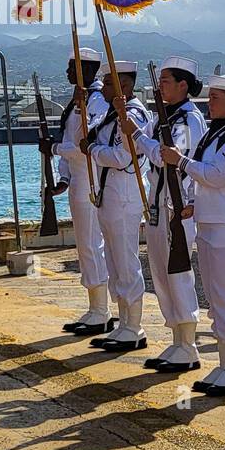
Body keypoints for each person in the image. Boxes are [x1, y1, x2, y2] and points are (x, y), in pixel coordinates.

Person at [161, 74, 225, 397]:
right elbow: (204, 179)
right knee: (215, 300)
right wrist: (191, 203)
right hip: (210, 221)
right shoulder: (217, 132)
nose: (209, 102)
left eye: (216, 97)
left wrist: (180, 160)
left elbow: (216, 175)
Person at [119, 56, 208, 372]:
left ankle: (189, 344)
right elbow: (142, 140)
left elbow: (164, 157)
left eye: (166, 81)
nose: (161, 87)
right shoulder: (163, 117)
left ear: (184, 86)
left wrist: (138, 135)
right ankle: (176, 340)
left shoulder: (188, 120)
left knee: (178, 273)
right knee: (160, 273)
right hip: (158, 202)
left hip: (177, 204)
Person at [42, 46, 112, 335]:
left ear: (87, 70)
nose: (67, 72)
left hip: (93, 179)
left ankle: (102, 311)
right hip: (79, 180)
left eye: (72, 67)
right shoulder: (77, 101)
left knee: (92, 244)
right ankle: (95, 307)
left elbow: (86, 147)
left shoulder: (95, 101)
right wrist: (64, 177)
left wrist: (55, 149)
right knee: (85, 246)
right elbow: (71, 138)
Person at [83, 61, 150, 353]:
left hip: (124, 194)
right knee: (114, 260)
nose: (103, 88)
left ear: (125, 86)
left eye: (109, 83)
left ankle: (134, 326)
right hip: (110, 194)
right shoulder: (112, 114)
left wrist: (93, 151)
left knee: (125, 261)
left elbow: (125, 157)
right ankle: (123, 323)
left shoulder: (132, 114)